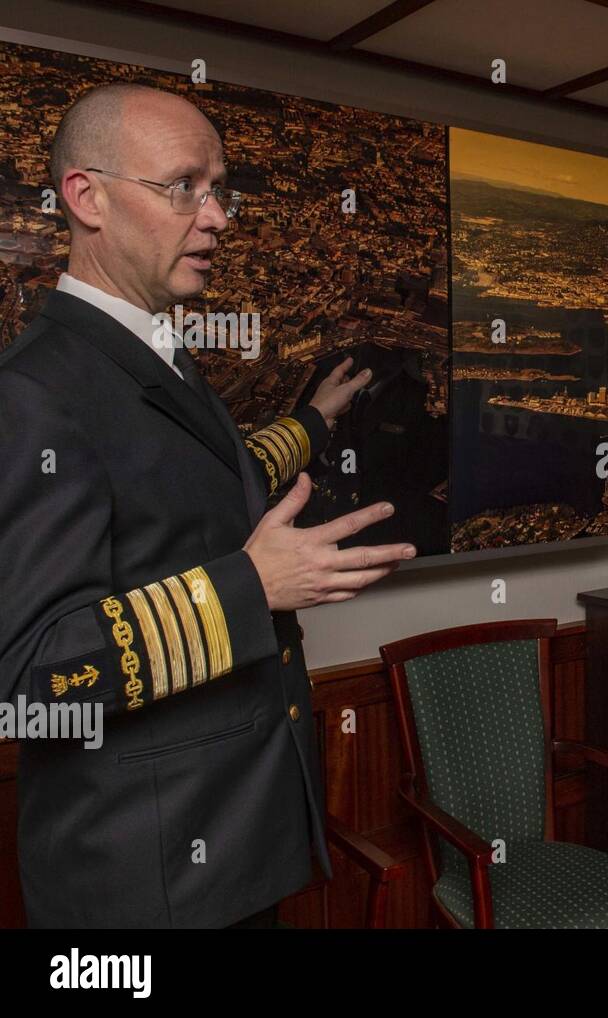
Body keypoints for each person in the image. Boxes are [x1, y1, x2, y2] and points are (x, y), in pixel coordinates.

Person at [0, 83, 414, 928]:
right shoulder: (36, 393)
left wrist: (310, 421)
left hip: (219, 857)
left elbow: (198, 485)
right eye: (183, 185)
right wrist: (248, 588)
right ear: (87, 197)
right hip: (141, 886)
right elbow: (30, 675)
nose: (218, 215)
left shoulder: (153, 355)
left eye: (218, 188)